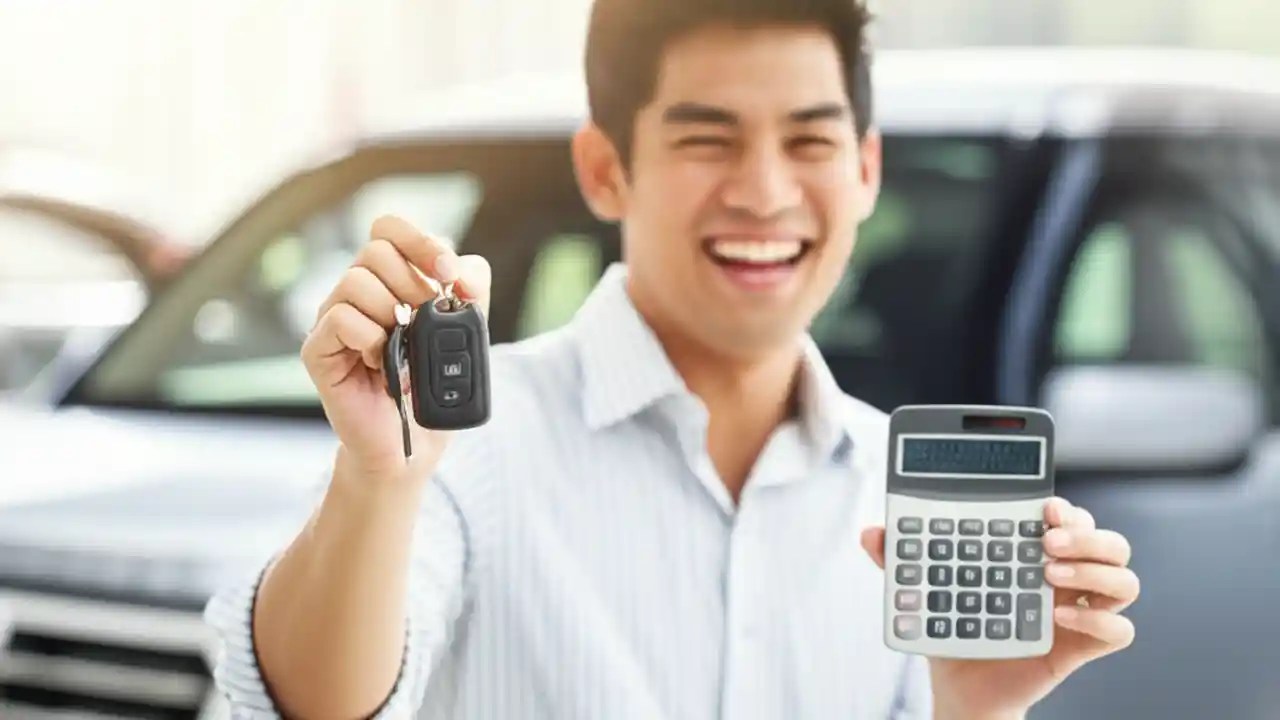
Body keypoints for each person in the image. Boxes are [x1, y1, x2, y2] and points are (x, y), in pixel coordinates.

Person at [204, 0, 1141, 717]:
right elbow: (308, 703)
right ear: (606, 169)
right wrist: (375, 482)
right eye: (708, 140)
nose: (766, 194)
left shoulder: (902, 503)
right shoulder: (459, 450)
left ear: (865, 171)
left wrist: (976, 708)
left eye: (809, 140)